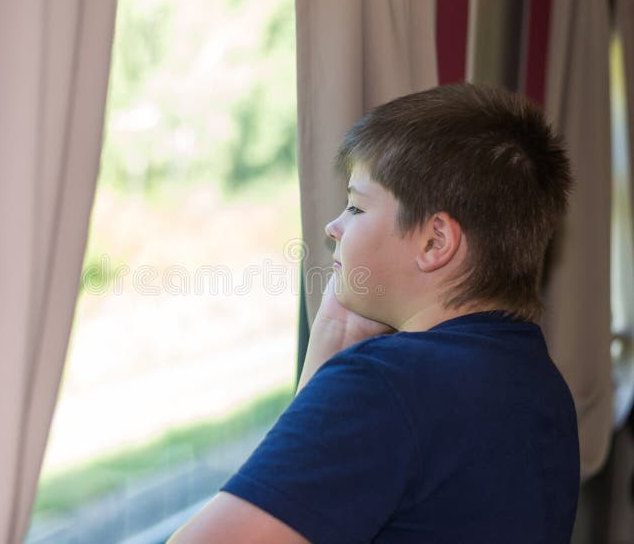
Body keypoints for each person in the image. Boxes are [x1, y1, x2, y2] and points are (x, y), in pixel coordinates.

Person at [168, 83, 579, 543]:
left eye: (355, 206)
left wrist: (329, 367)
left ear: (435, 242)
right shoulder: (540, 380)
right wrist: (336, 336)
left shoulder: (383, 387)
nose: (333, 227)